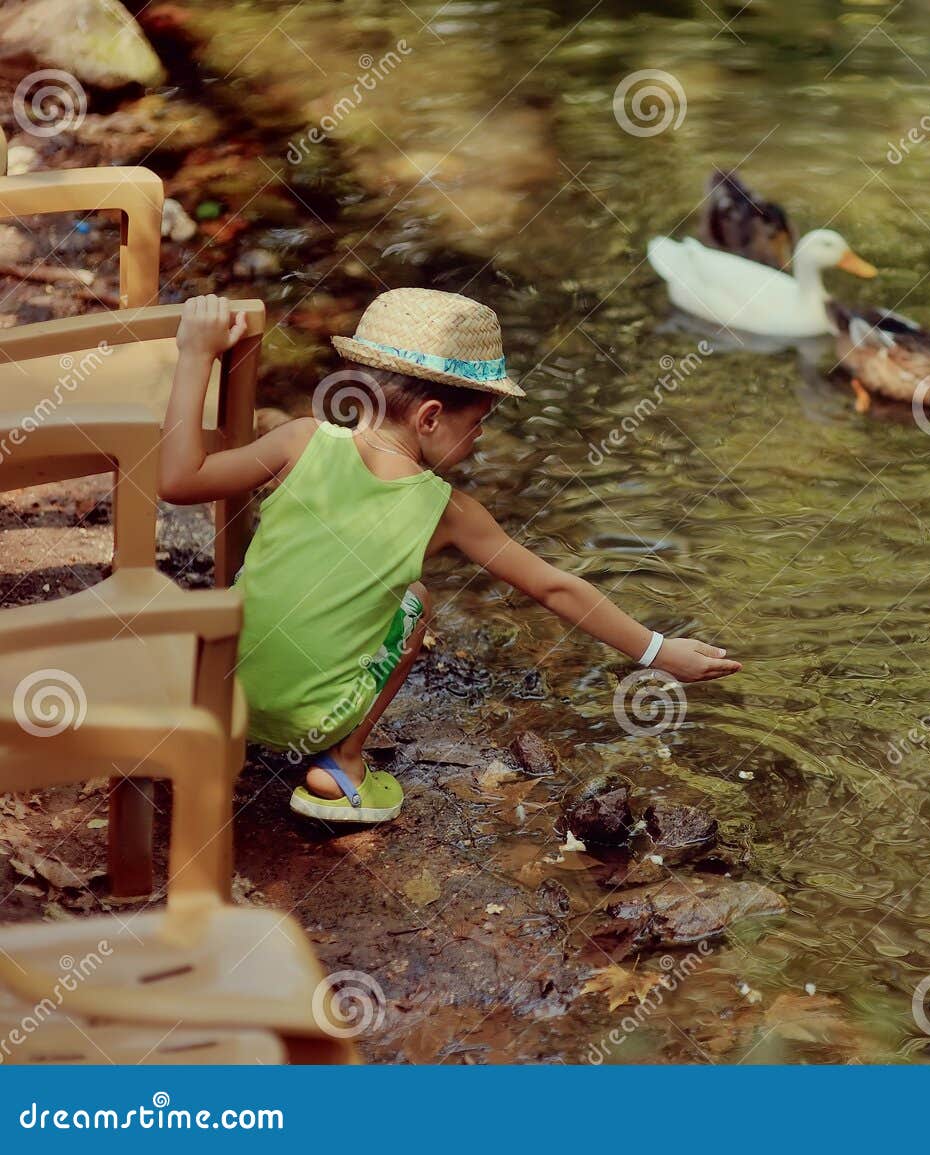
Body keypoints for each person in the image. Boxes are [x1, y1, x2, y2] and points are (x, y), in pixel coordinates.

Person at [160, 288, 740, 823]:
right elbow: (555, 588)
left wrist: (195, 354)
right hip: (307, 720)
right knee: (414, 603)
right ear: (431, 417)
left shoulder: (300, 439)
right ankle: (342, 762)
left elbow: (178, 479)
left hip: (212, 691)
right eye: (479, 423)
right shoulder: (448, 511)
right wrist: (659, 652)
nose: (482, 439)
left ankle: (222, 737)